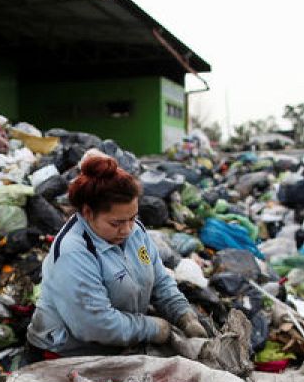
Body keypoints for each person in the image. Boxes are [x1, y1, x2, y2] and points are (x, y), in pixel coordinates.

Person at [26, 149, 208, 356]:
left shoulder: (136, 232)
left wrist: (184, 315)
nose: (127, 229)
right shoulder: (74, 251)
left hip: (117, 343)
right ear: (87, 212)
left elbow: (160, 280)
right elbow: (96, 324)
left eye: (132, 218)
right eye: (116, 223)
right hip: (67, 353)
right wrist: (154, 329)